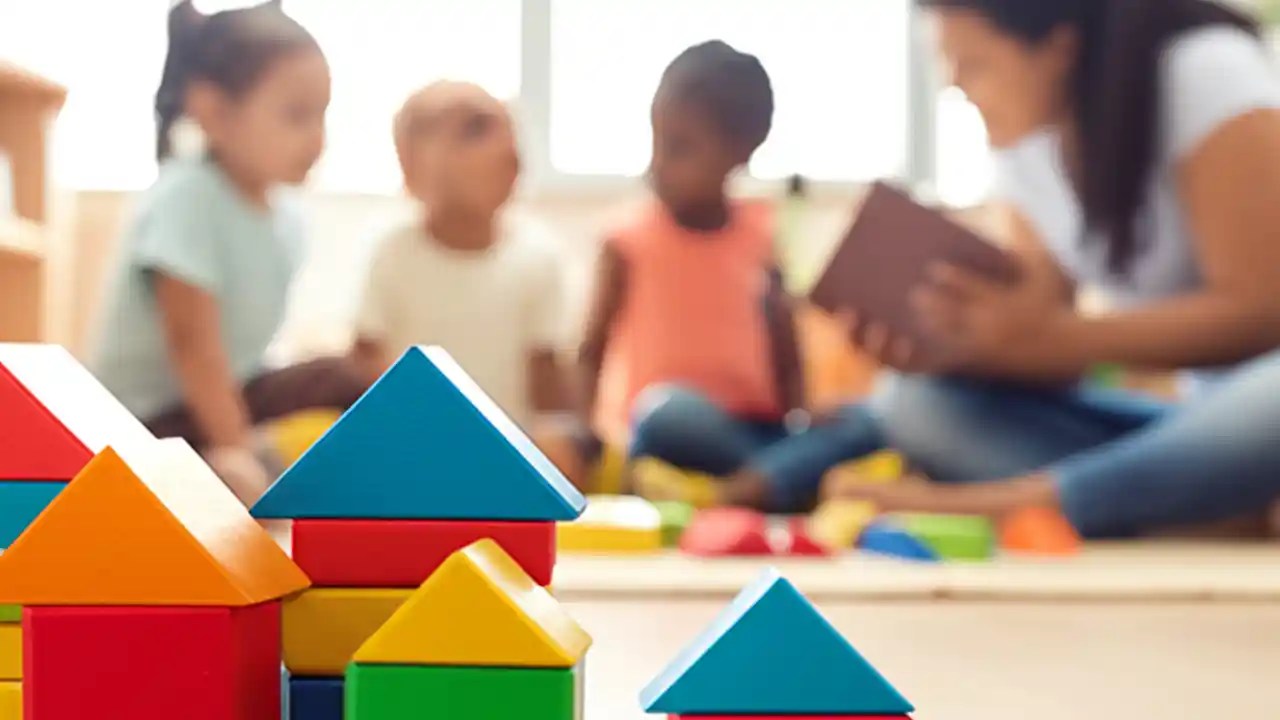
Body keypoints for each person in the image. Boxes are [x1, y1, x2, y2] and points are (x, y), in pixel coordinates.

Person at [823, 0, 1280, 538]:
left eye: (974, 63)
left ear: (1058, 48)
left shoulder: (1203, 71)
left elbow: (1263, 310)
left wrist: (1054, 337)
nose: (954, 86)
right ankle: (1199, 504)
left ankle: (1032, 504)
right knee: (918, 402)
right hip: (1189, 437)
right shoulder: (1024, 149)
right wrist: (966, 350)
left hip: (1257, 407)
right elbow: (1054, 355)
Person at [92, 1, 365, 503]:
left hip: (220, 405)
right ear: (215, 113)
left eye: (323, 114)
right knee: (233, 465)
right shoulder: (187, 196)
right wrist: (238, 449)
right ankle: (231, 472)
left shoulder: (285, 218)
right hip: (148, 425)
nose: (318, 138)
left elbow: (245, 357)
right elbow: (192, 344)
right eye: (297, 115)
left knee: (347, 380)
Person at [578, 41, 856, 512]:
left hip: (758, 429)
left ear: (741, 151)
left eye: (680, 148)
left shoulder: (760, 233)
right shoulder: (626, 241)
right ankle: (782, 481)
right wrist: (590, 441)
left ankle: (752, 485)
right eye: (657, 142)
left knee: (864, 422)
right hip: (676, 428)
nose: (657, 165)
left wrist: (807, 415)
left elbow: (784, 343)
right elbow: (591, 351)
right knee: (666, 412)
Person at [351, 81, 574, 434]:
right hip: (413, 436)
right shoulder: (393, 254)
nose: (504, 146)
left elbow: (548, 378)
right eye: (475, 129)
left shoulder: (538, 257)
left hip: (511, 446)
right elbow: (365, 365)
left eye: (508, 131)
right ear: (409, 166)